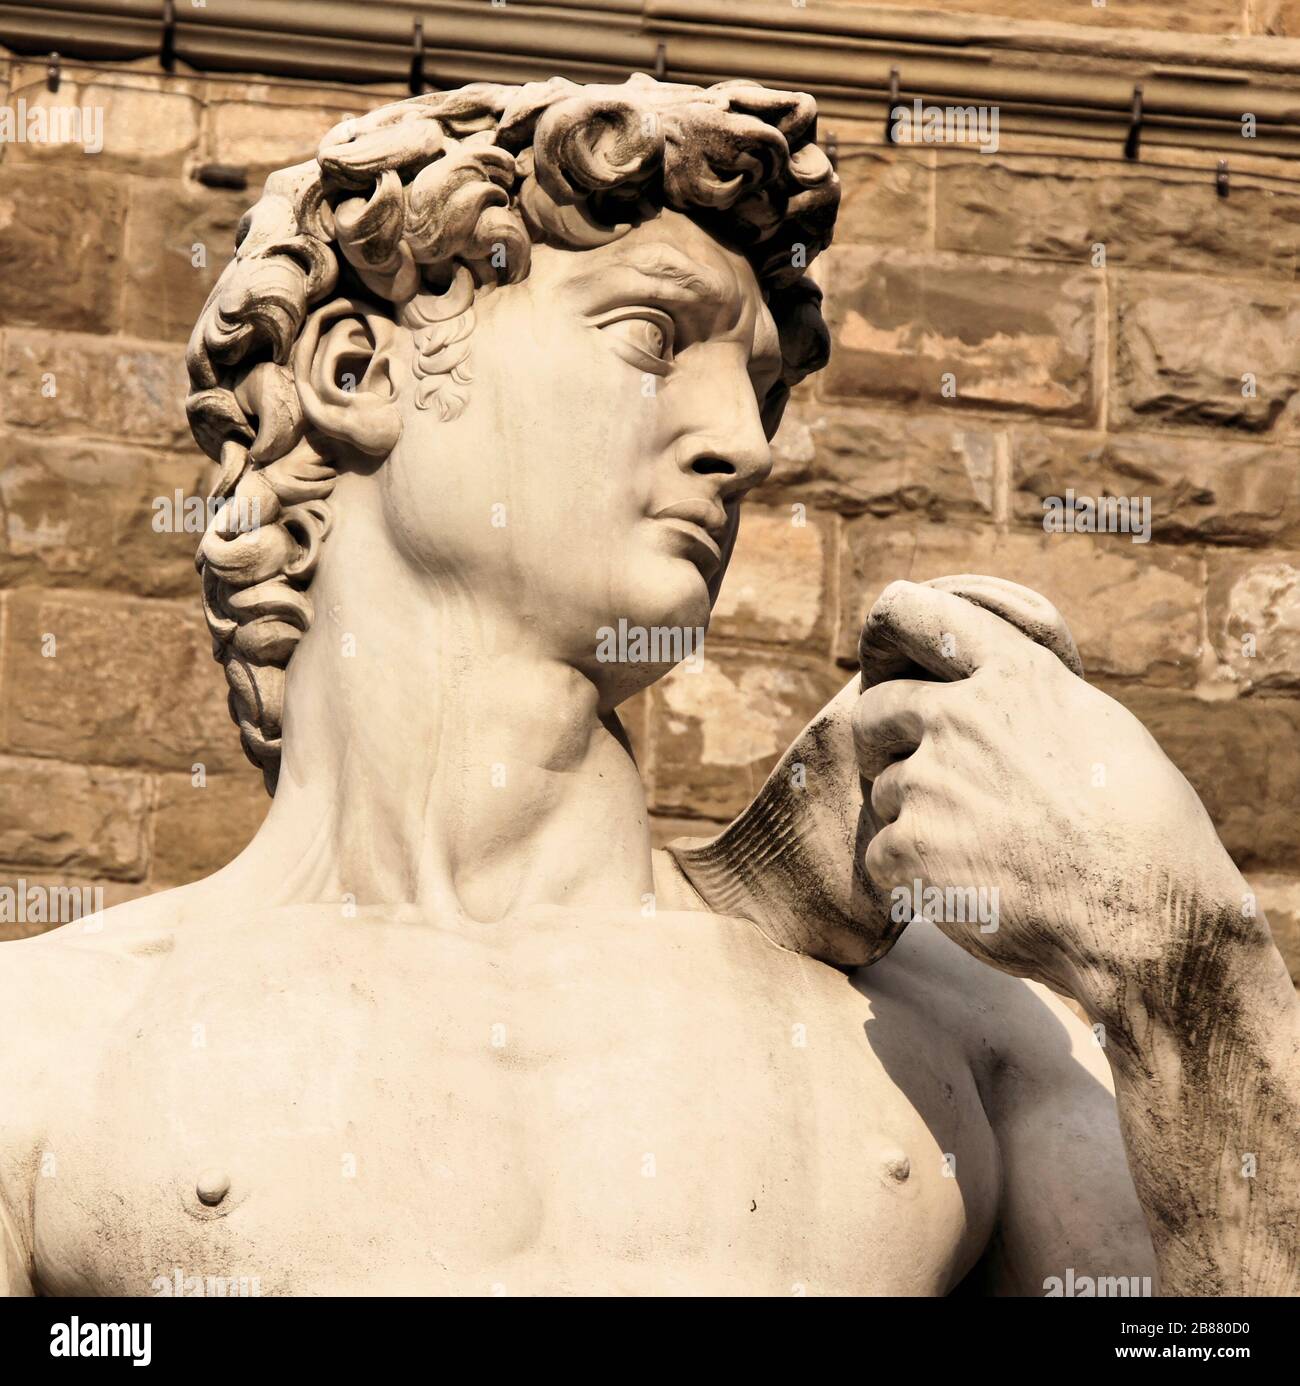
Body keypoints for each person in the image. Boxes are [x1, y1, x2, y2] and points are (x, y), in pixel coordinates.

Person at [0, 74, 1294, 1297]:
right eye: (652, 335)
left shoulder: (947, 1046)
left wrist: (1191, 966)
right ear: (361, 369)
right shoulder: (50, 1057)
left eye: (763, 387)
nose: (741, 442)